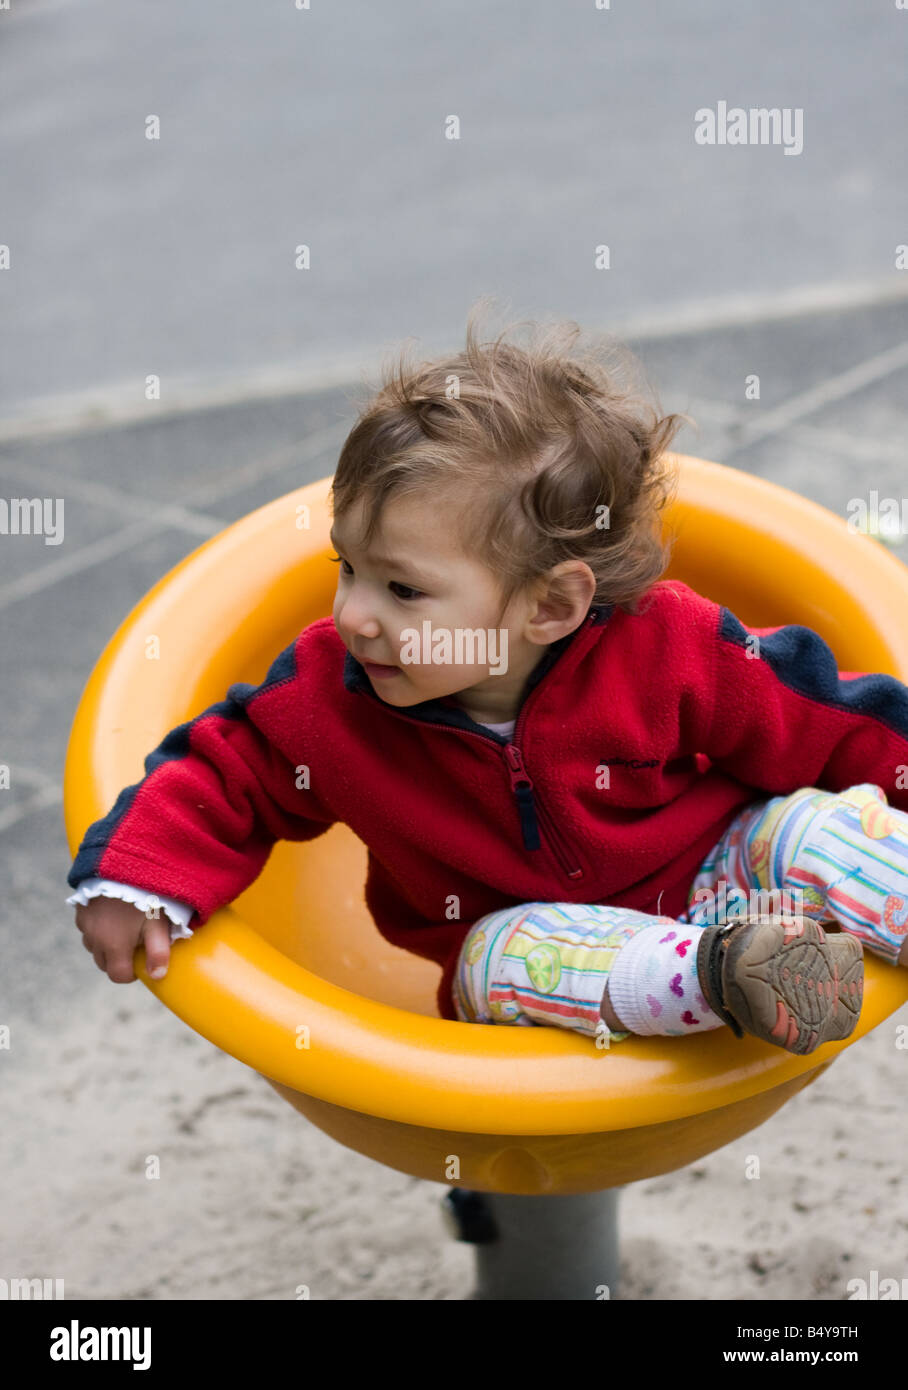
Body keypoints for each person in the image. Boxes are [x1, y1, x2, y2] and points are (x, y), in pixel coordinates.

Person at [66, 304, 908, 1056]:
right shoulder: (331, 697)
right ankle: (730, 979)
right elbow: (228, 772)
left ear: (550, 606)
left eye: (401, 590)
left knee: (813, 829)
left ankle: (809, 938)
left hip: (720, 874)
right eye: (347, 568)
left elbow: (828, 719)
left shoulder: (671, 649)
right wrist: (135, 878)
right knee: (517, 954)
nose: (354, 615)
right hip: (522, 947)